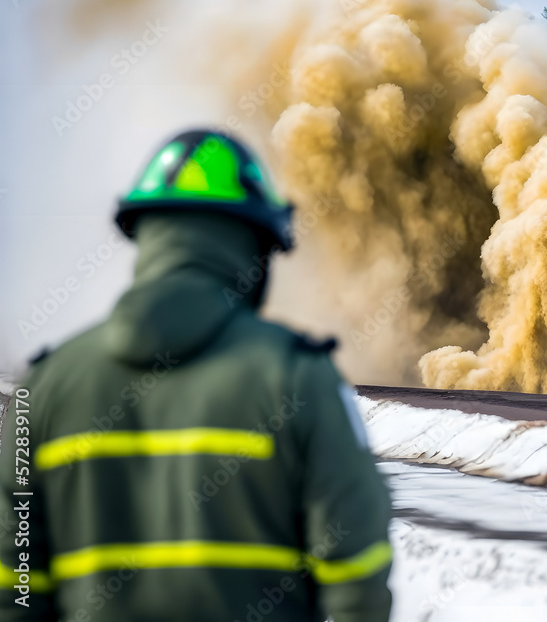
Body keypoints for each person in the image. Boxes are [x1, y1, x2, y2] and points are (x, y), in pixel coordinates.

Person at [0, 130, 392, 621]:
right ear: (254, 247)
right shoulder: (296, 377)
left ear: (144, 233)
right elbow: (357, 567)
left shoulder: (42, 391)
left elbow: (13, 587)